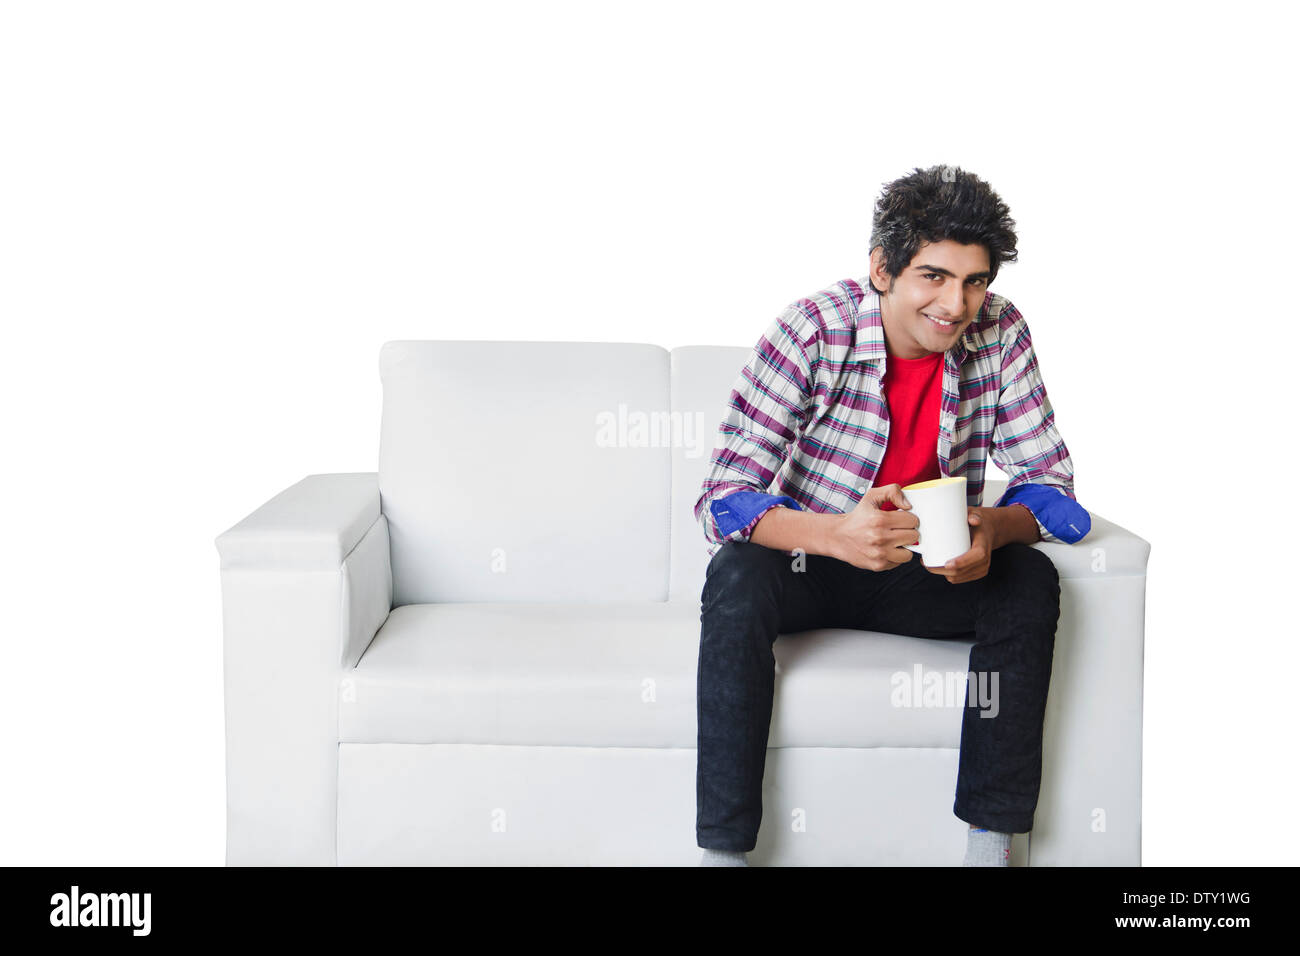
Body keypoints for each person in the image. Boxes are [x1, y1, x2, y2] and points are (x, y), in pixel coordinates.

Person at [693, 164, 1092, 867]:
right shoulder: (813, 328)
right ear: (883, 269)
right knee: (736, 575)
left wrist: (991, 529)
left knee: (1028, 579)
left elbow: (1048, 485)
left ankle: (992, 844)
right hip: (812, 560)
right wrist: (834, 533)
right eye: (933, 277)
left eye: (974, 281)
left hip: (926, 572)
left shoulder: (1000, 333)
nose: (955, 303)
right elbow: (723, 498)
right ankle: (724, 852)